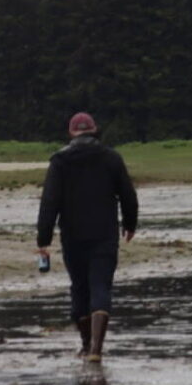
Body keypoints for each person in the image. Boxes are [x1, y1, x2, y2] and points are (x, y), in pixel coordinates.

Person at [35, 111, 138, 362]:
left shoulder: (59, 161)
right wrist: (130, 224)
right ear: (94, 130)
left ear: (71, 133)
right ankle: (96, 349)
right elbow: (128, 195)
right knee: (100, 286)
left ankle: (85, 345)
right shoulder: (111, 158)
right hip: (104, 233)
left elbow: (50, 201)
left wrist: (43, 239)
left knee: (80, 288)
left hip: (73, 234)